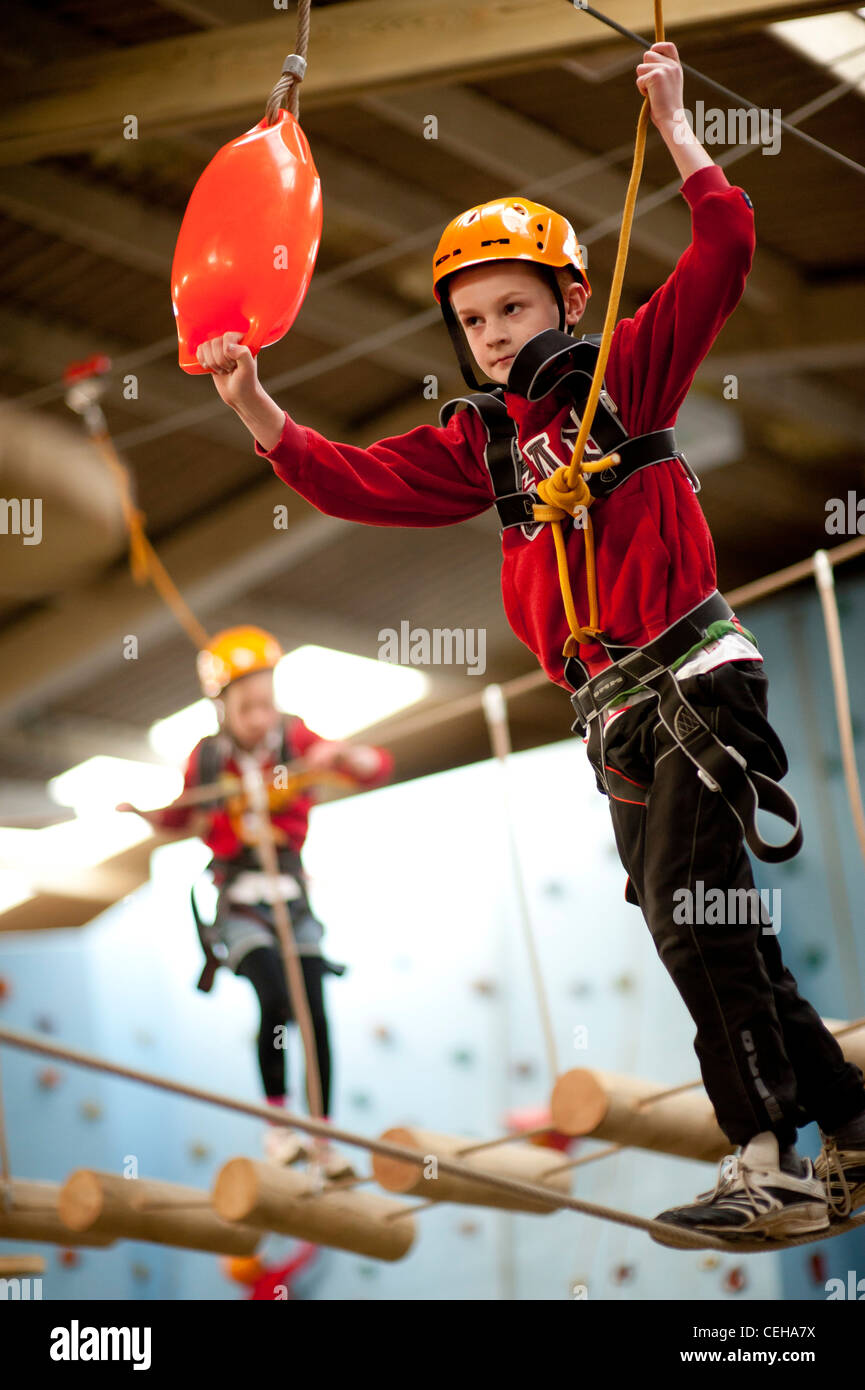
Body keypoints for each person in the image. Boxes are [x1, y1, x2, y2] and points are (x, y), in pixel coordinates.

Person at [191, 44, 865, 1238]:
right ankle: (851, 1124)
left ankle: (764, 1150)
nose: (496, 335)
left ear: (568, 301)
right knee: (701, 922)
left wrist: (676, 131)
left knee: (685, 907)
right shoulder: (483, 448)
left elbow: (723, 252)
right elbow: (352, 479)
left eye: (515, 309)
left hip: (694, 675)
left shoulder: (625, 375)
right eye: (474, 320)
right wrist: (254, 402)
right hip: (611, 717)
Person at [120, 625, 392, 1173]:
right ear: (221, 709)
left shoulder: (297, 739)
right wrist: (146, 816)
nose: (260, 718)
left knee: (314, 1013)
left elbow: (371, 768)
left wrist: (350, 757)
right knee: (274, 998)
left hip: (290, 895)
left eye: (266, 703)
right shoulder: (207, 759)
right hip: (240, 898)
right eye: (247, 708)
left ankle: (322, 1138)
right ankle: (278, 1127)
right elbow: (180, 816)